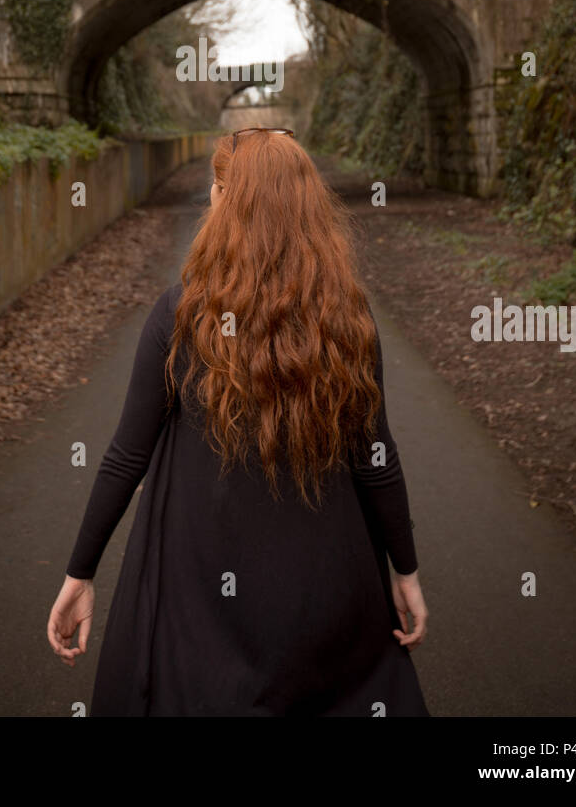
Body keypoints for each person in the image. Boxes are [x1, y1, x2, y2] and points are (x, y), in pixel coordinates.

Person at [47, 127, 429, 716]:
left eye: (215, 189)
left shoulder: (181, 316)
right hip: (327, 593)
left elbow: (128, 455)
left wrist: (80, 572)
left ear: (226, 203)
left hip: (201, 596)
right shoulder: (348, 318)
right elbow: (377, 456)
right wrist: (404, 569)